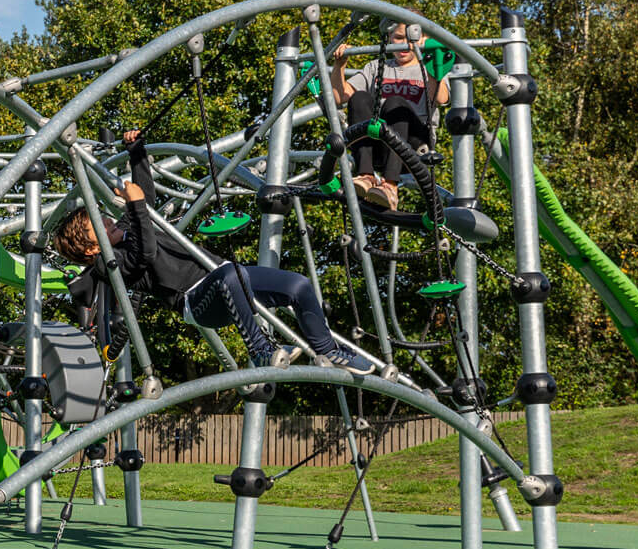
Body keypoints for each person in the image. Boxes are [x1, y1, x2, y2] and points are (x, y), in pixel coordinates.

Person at [55, 133, 398, 378]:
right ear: (91, 248)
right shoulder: (110, 265)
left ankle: (326, 348)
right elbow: (145, 253)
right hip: (197, 299)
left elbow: (145, 193)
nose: (105, 220)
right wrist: (137, 206)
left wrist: (137, 151)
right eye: (96, 225)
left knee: (299, 286)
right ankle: (260, 350)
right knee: (230, 274)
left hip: (222, 274)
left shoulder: (128, 227)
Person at [329, 21, 448, 210]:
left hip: (414, 144)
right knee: (359, 97)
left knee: (395, 103)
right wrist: (340, 65)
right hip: (380, 144)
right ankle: (366, 176)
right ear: (390, 38)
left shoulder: (429, 67)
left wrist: (430, 57)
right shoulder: (376, 67)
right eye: (399, 38)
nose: (404, 45)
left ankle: (390, 185)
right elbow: (338, 97)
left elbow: (441, 98)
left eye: (411, 39)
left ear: (423, 39)